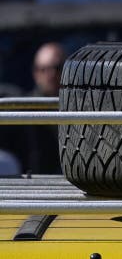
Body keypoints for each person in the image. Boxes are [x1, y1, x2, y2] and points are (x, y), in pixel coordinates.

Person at [21, 42, 66, 173]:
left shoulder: (83, 109)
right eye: (44, 69)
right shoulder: (21, 111)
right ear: (35, 73)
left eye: (57, 68)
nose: (51, 74)